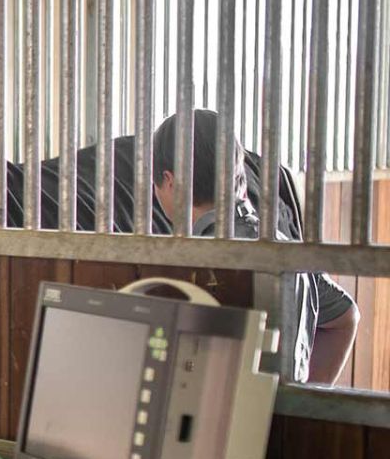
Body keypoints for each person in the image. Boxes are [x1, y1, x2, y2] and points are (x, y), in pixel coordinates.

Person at [151, 109, 360, 385]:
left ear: (170, 181)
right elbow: (346, 316)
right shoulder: (284, 247)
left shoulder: (185, 261)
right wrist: (304, 401)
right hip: (283, 409)